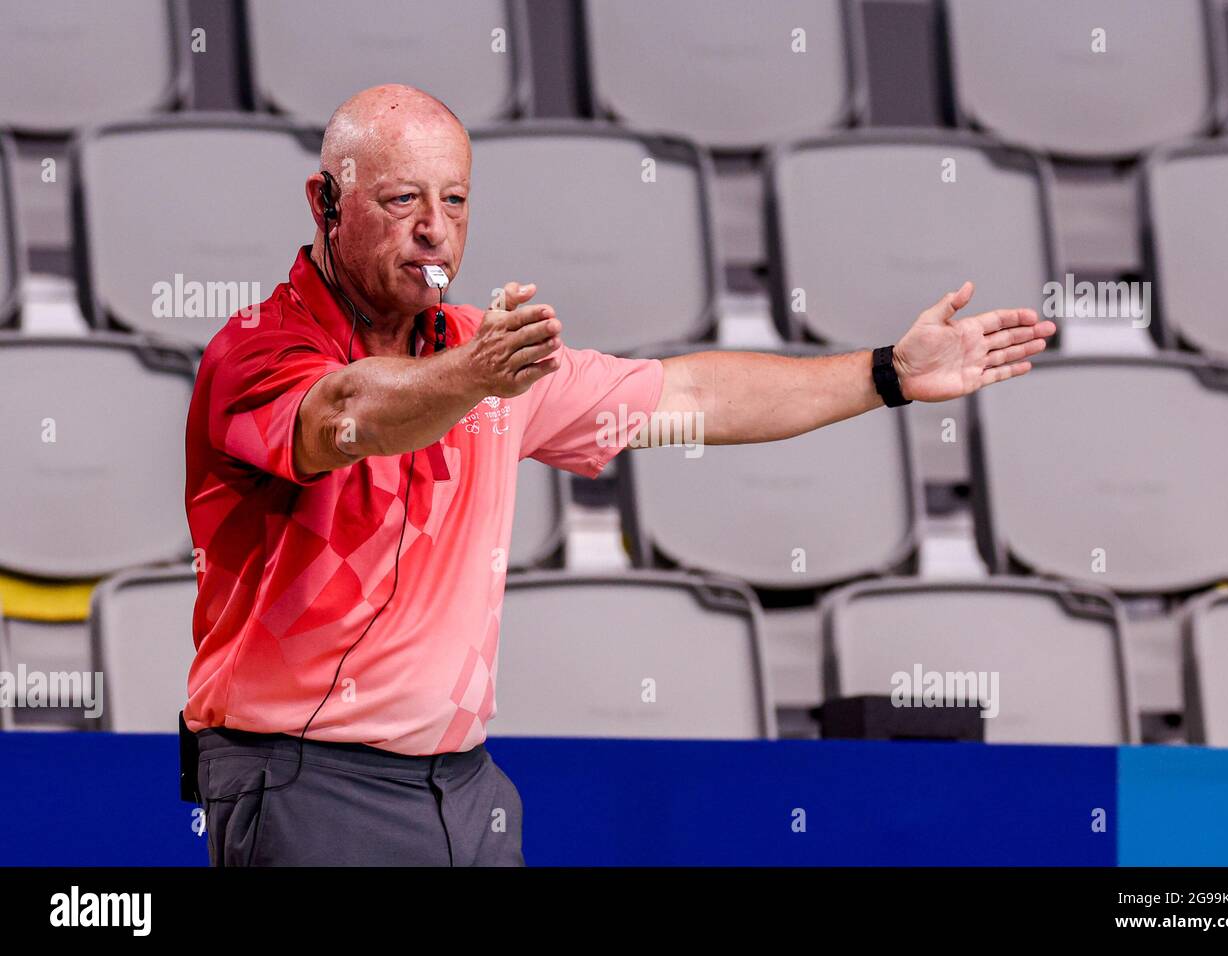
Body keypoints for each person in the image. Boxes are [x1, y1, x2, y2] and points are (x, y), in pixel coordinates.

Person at [183, 84, 1055, 866]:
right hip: (305, 782)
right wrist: (476, 378)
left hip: (466, 788)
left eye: (455, 200)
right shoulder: (259, 348)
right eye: (402, 199)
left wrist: (886, 374)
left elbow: (691, 395)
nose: (435, 229)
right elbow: (346, 416)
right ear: (324, 202)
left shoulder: (488, 356)